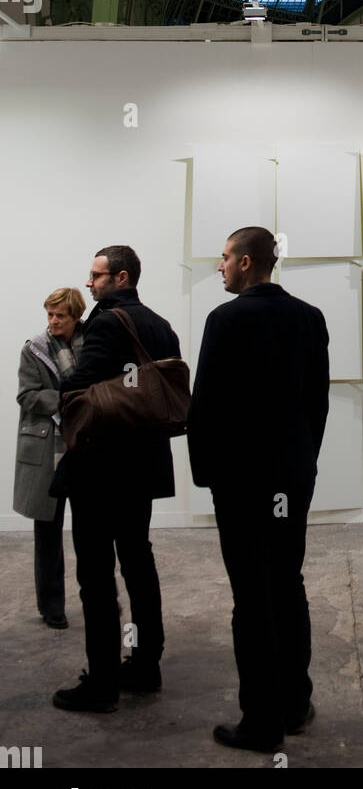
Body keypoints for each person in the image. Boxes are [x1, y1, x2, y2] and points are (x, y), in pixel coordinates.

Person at [187, 226, 330, 753]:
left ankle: (261, 721)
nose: (219, 266)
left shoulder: (226, 319)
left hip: (242, 482)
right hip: (290, 479)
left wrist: (205, 473)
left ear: (246, 263)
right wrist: (303, 464)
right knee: (287, 585)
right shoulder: (309, 317)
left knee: (251, 597)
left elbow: (205, 407)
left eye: (224, 258)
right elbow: (317, 403)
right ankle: (295, 703)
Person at [51, 246, 181, 713]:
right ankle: (146, 664)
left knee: (96, 574)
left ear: (120, 277)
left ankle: (102, 682)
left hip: (101, 467)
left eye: (96, 275)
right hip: (142, 465)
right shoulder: (160, 324)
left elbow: (80, 384)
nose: (89, 284)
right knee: (137, 561)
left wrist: (64, 379)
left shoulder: (107, 323)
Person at [14, 287, 86, 629]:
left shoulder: (93, 344)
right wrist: (66, 399)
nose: (54, 322)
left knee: (93, 531)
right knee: (48, 531)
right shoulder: (35, 349)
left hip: (85, 447)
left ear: (76, 318)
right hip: (49, 449)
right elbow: (26, 396)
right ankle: (52, 606)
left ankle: (100, 599)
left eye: (61, 316)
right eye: (50, 315)